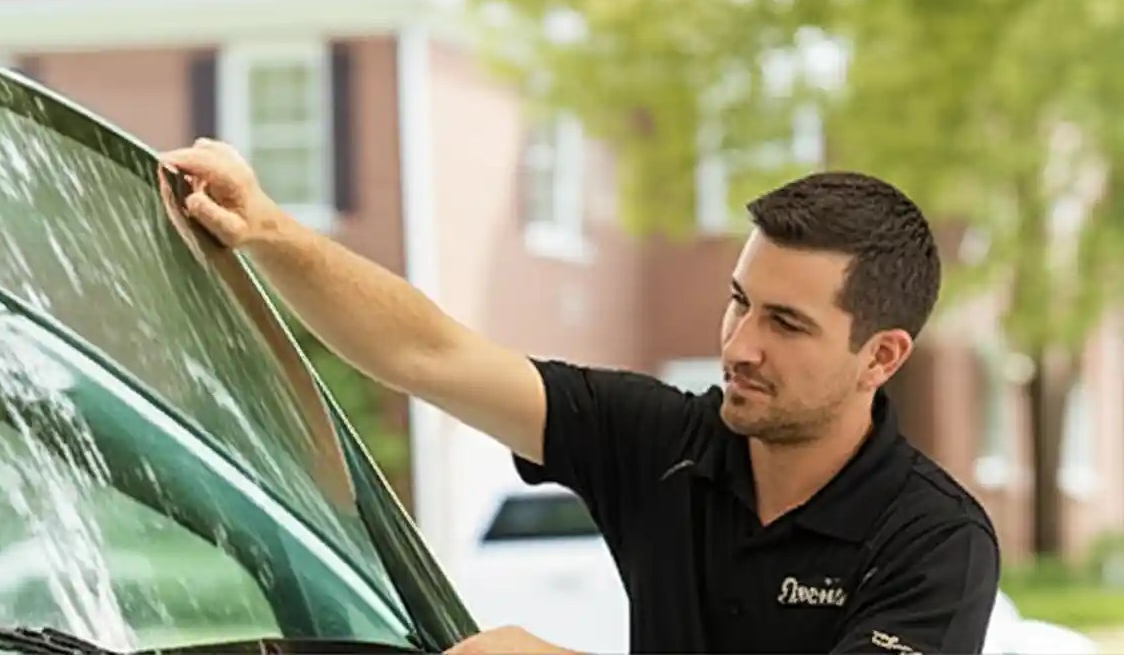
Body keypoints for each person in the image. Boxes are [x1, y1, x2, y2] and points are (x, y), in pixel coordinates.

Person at [157, 138, 1000, 654]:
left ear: (881, 356)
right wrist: (268, 229)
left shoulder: (935, 541)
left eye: (786, 323)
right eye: (740, 301)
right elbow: (428, 351)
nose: (740, 346)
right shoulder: (658, 441)